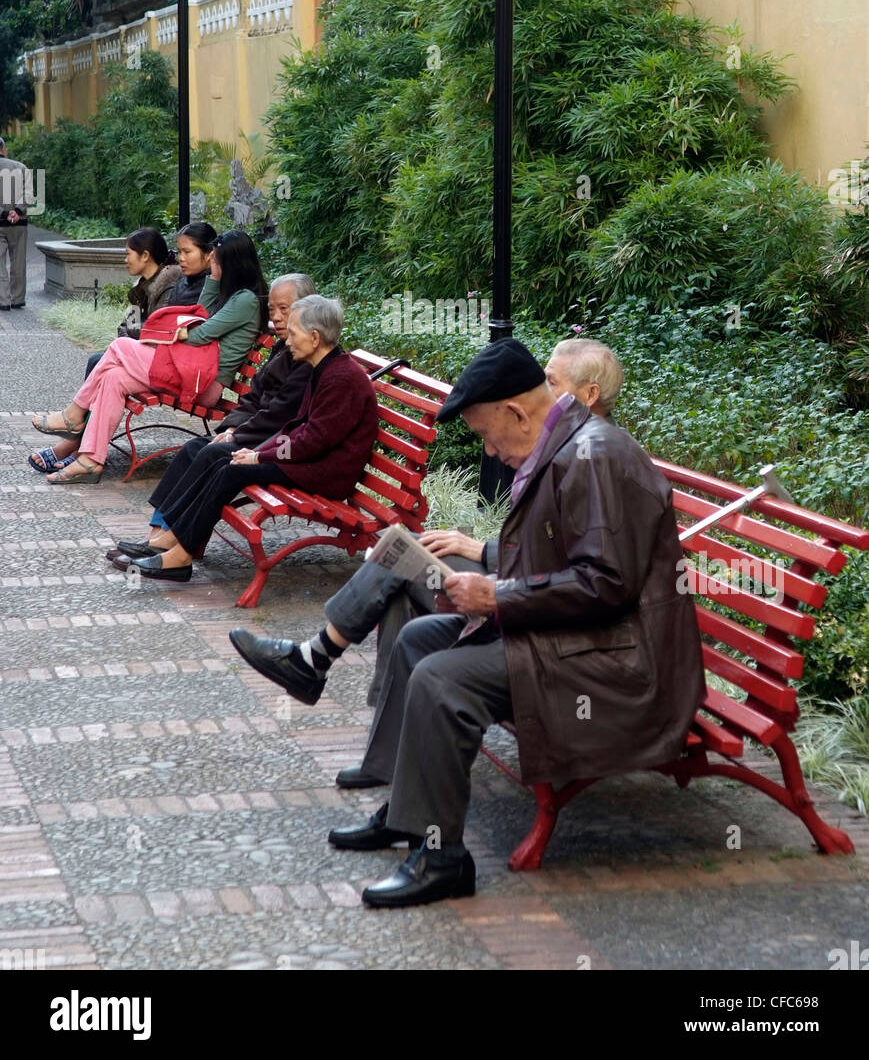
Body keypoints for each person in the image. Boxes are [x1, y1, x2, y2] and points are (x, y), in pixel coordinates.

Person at [238, 337, 706, 907]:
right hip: (575, 638)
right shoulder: (565, 445)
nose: (488, 450)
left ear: (515, 411)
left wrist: (498, 595)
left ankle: (444, 862)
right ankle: (412, 813)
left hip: (619, 664)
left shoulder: (595, 456)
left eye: (487, 434)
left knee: (444, 679)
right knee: (417, 638)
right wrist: (488, 578)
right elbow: (564, 562)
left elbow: (606, 585)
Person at [228, 335, 621, 790]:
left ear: (588, 394)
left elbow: (584, 569)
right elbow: (551, 546)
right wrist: (485, 551)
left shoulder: (594, 455)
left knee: (406, 567)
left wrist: (486, 555)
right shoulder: (564, 446)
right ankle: (376, 741)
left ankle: (317, 662)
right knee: (409, 560)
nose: (542, 388)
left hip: (545, 617)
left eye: (552, 380)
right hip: (524, 586)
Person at [106, 293, 378, 583]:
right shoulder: (325, 368)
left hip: (325, 472)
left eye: (294, 334)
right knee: (224, 464)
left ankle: (179, 556)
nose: (287, 340)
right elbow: (297, 428)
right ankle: (173, 540)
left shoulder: (340, 379)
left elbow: (312, 440)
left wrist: (259, 455)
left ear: (314, 338)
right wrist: (257, 451)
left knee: (230, 470)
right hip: (310, 460)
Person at [30, 229, 268, 485]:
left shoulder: (245, 300)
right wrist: (212, 279)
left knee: (120, 346)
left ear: (232, 263)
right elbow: (200, 312)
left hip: (204, 383)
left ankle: (74, 415)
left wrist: (182, 329)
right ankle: (91, 460)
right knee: (114, 377)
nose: (212, 262)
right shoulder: (228, 291)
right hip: (192, 371)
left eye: (216, 259)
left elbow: (200, 335)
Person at [107, 272, 315, 559]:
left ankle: (175, 541)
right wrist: (227, 429)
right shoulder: (285, 347)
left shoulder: (307, 359)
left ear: (309, 310)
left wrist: (235, 435)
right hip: (256, 432)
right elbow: (253, 398)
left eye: (285, 309)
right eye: (273, 310)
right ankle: (158, 534)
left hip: (270, 442)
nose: (277, 318)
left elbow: (279, 415)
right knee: (195, 447)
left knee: (211, 455)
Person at [0, 135, 30, 311]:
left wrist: (4, 212)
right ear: (3, 148)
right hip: (19, 224)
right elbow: (29, 194)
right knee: (18, 262)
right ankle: (17, 298)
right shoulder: (20, 167)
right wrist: (17, 211)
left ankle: (3, 300)